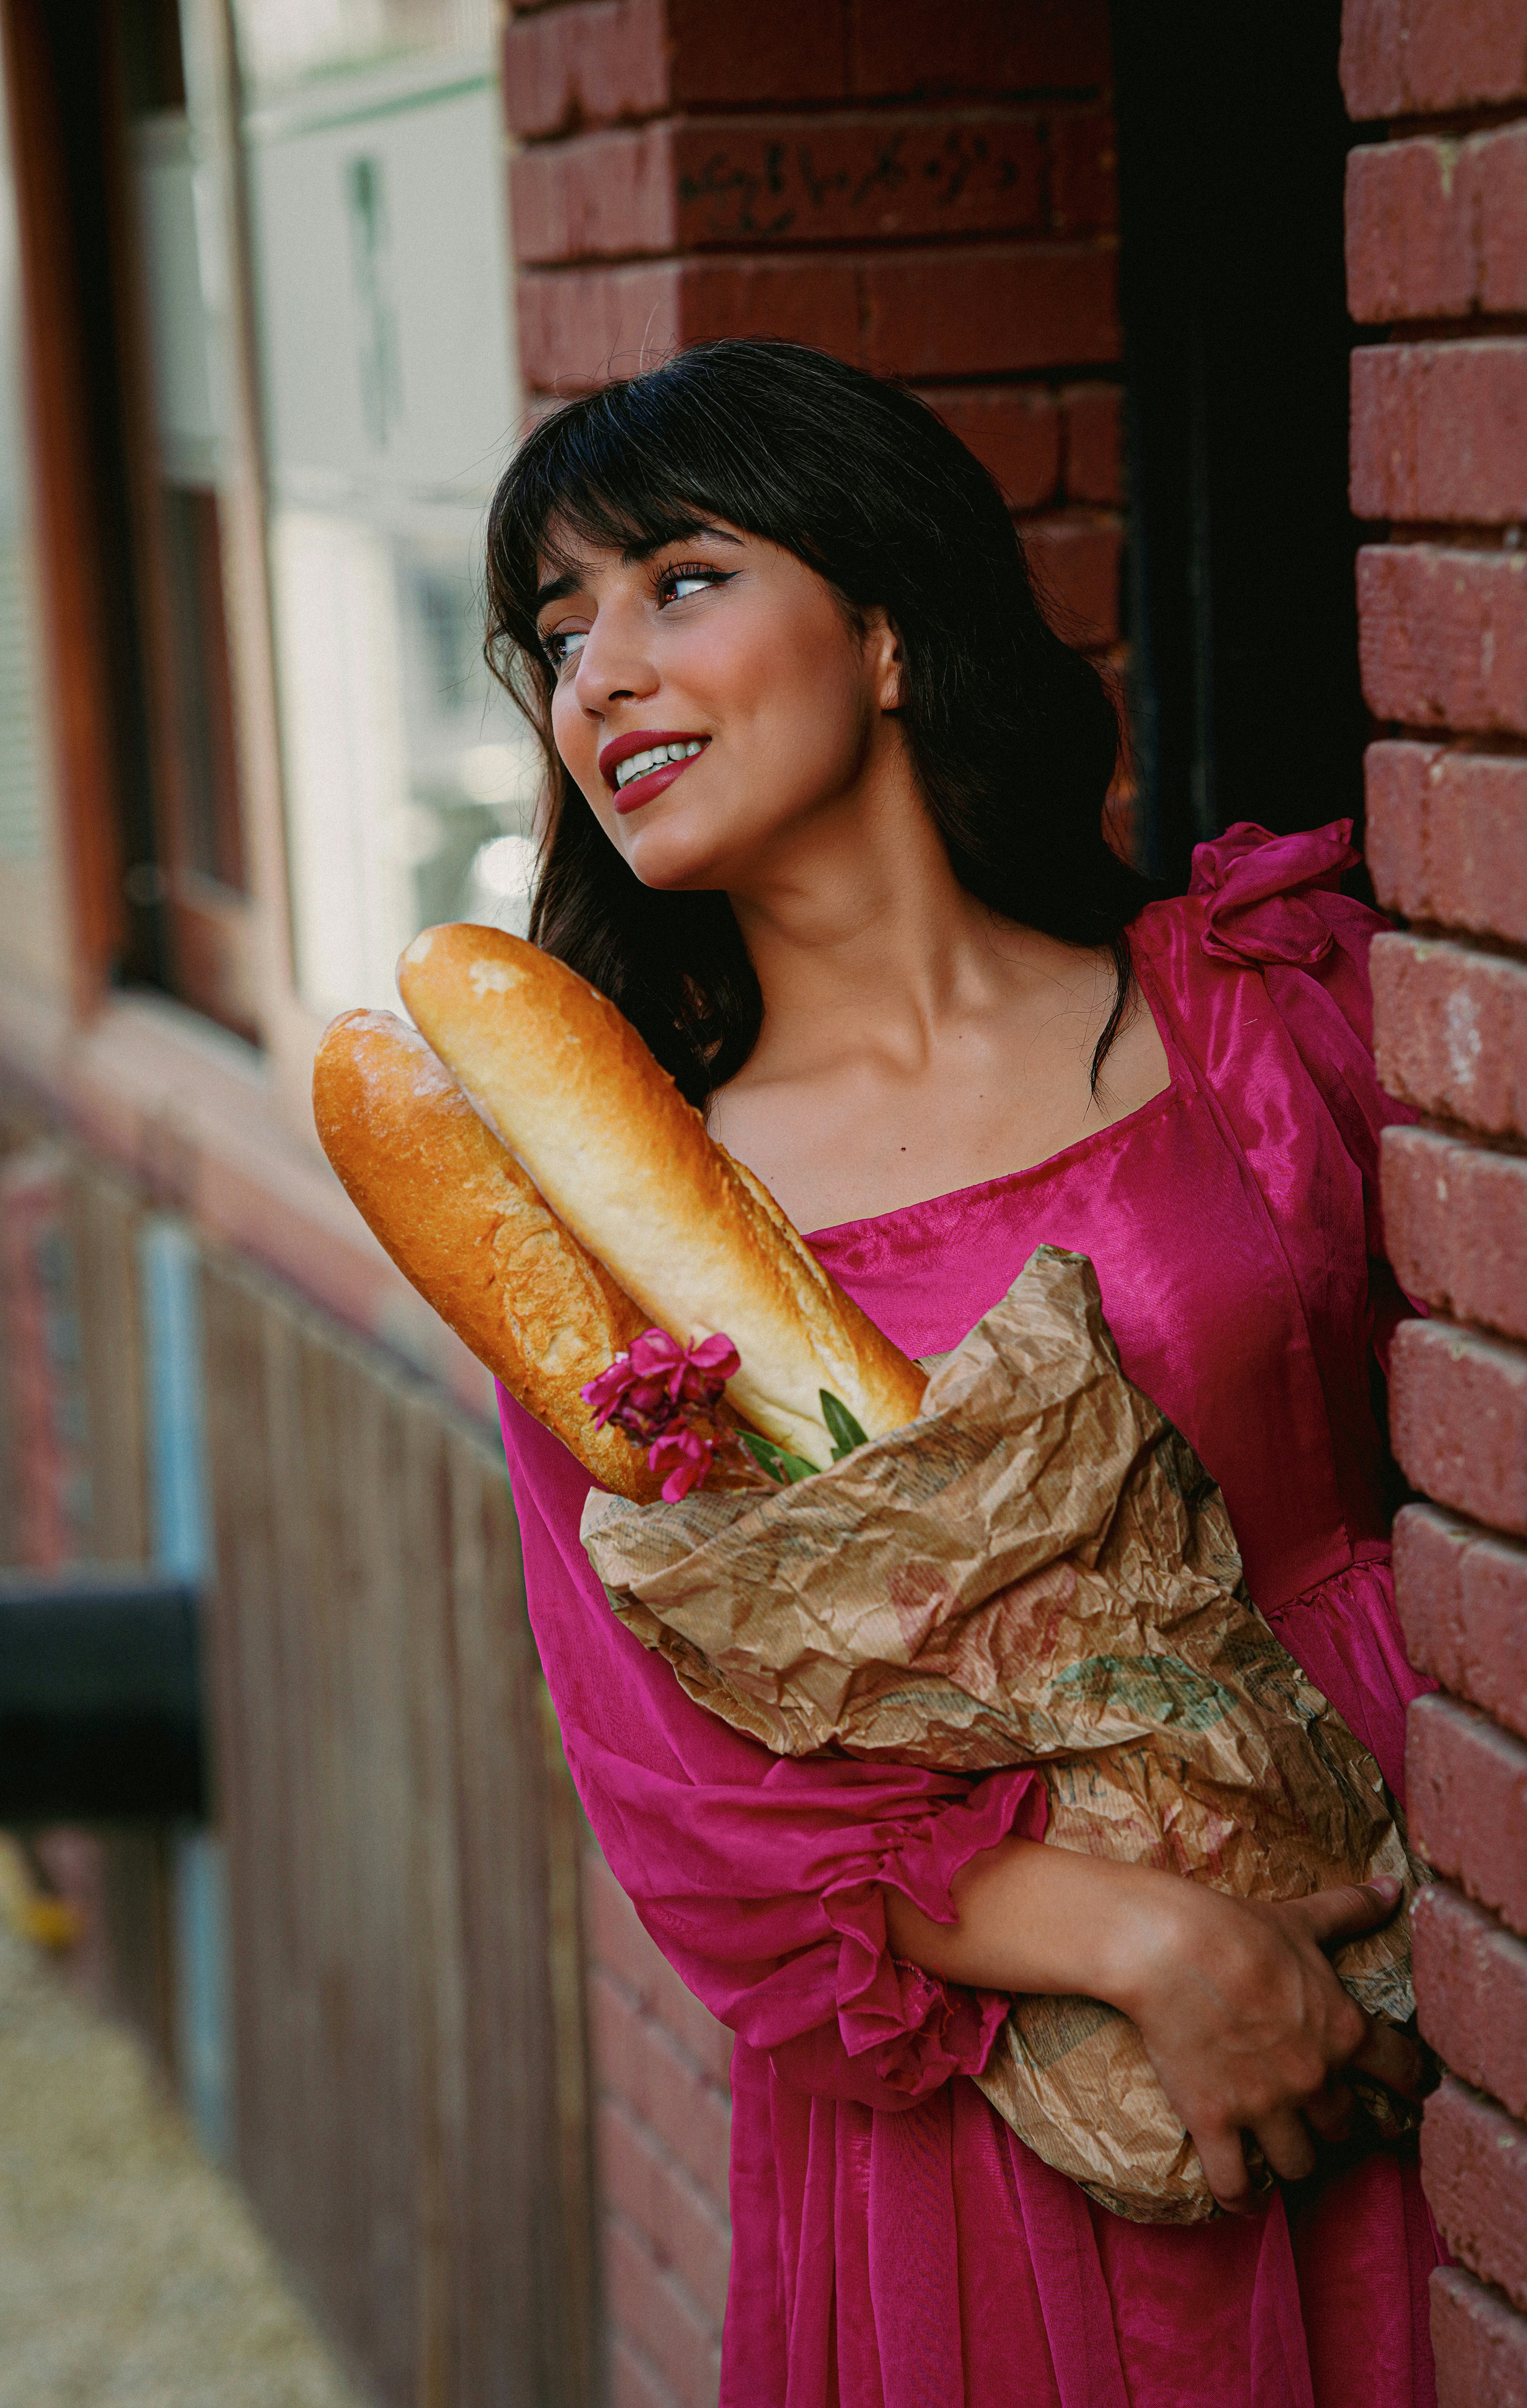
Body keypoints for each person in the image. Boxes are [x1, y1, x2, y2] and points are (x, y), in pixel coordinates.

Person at [486, 340, 1444, 2407]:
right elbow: (681, 1788)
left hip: (1433, 1959)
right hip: (996, 2133)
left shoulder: (1262, 1005)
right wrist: (1148, 1941)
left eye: (677, 582)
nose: (599, 677)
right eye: (557, 639)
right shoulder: (631, 1252)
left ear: (893, 627)